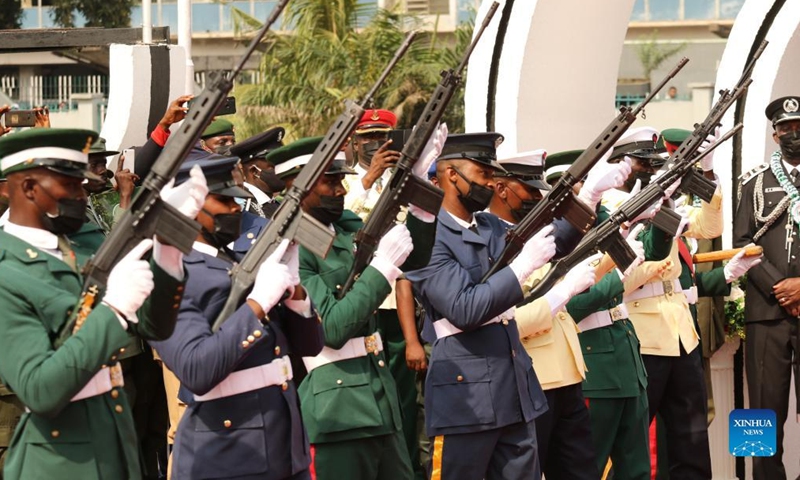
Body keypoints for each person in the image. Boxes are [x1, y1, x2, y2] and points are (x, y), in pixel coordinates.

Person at [0, 127, 201, 479]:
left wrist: (168, 253)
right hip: (59, 461)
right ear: (29, 188)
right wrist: (114, 310)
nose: (83, 194)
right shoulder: (7, 270)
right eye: (70, 185)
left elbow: (155, 326)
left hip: (113, 440)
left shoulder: (84, 244)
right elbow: (40, 390)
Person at [150, 156, 324, 480]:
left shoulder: (237, 262)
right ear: (189, 208)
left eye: (236, 199)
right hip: (227, 453)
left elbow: (310, 345)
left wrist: (296, 293)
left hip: (284, 445)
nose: (235, 209)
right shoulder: (168, 279)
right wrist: (257, 303)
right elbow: (197, 369)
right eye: (223, 200)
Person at [275, 135, 436, 480]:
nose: (341, 190)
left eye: (340, 181)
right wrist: (381, 270)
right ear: (297, 185)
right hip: (337, 405)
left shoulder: (342, 229)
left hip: (379, 394)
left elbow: (413, 261)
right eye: (329, 182)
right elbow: (331, 329)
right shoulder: (290, 247)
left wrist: (420, 207)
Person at [406, 132, 560, 480]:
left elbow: (555, 238)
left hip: (514, 389)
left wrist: (588, 198)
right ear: (451, 175)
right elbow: (464, 309)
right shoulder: (427, 238)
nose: (491, 184)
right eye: (483, 175)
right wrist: (521, 269)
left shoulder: (490, 225)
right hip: (467, 398)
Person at [488, 148, 621, 480]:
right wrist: (565, 293)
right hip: (532, 378)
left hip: (568, 373)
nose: (537, 197)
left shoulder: (538, 232)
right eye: (529, 190)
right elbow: (507, 322)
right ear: (502, 189)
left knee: (580, 472)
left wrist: (593, 197)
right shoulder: (487, 242)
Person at [616, 126, 724, 479]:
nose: (652, 171)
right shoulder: (611, 208)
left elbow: (708, 227)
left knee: (690, 440)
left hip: (681, 335)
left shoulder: (667, 202)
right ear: (621, 166)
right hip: (642, 338)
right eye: (644, 166)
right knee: (633, 442)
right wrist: (653, 215)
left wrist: (706, 175)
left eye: (654, 165)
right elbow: (631, 271)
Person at [733, 95, 800, 480]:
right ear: (775, 136)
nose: (793, 134)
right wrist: (781, 288)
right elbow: (742, 242)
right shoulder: (755, 183)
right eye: (785, 129)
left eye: (799, 127)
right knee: (760, 414)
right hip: (766, 313)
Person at [342, 108, 401, 219]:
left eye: (381, 136)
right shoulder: (344, 181)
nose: (376, 142)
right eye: (368, 137)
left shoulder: (400, 177)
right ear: (355, 144)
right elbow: (341, 218)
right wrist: (370, 177)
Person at [229, 126, 286, 218]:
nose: (282, 171)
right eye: (274, 167)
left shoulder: (277, 204)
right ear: (254, 171)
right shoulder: (242, 208)